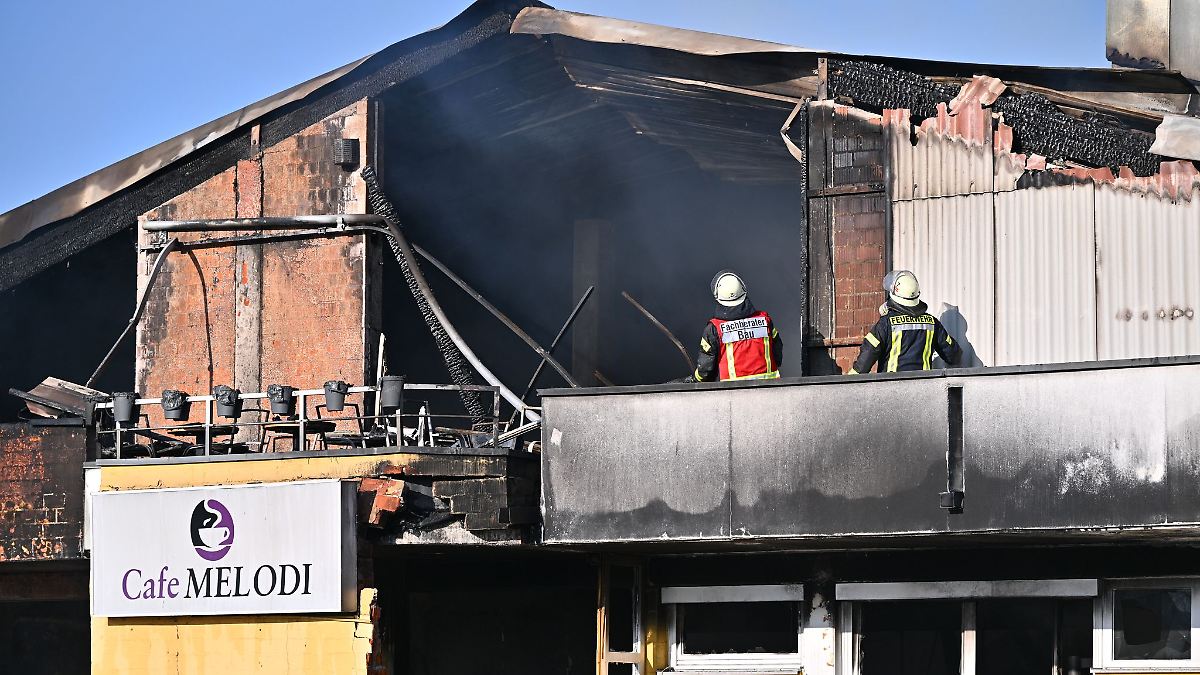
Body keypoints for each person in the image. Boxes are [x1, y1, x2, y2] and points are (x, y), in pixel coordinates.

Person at [848, 270, 962, 374]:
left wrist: (849, 382)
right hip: (924, 388)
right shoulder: (932, 323)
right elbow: (954, 356)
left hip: (892, 389)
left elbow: (867, 356)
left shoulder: (886, 324)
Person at [691, 270, 782, 382]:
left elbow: (706, 370)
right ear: (743, 289)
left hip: (734, 395)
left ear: (717, 296)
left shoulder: (714, 329)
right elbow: (777, 353)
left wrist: (695, 379)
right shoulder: (765, 320)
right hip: (772, 391)